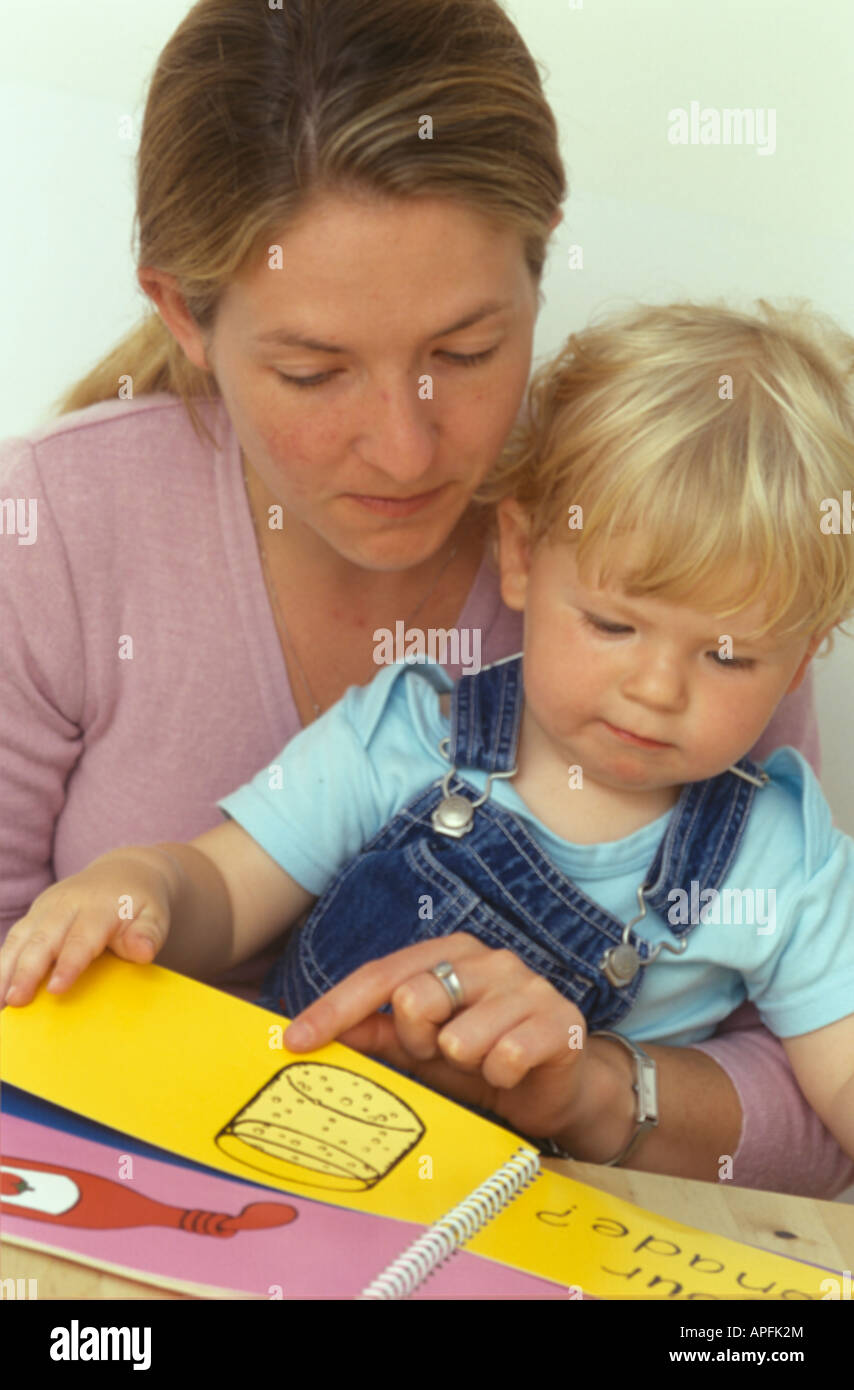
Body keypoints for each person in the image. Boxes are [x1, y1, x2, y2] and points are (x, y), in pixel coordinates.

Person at [0, 0, 849, 1194]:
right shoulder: (51, 528)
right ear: (184, 315)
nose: (404, 451)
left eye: (464, 351)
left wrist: (598, 1087)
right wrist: (132, 899)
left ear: (543, 253)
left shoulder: (680, 561)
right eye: (312, 370)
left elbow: (808, 1127)